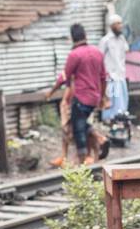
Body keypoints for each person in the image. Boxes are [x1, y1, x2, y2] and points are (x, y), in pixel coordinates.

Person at [49, 23, 107, 167]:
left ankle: (83, 160)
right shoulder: (97, 52)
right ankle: (99, 141)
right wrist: (103, 97)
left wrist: (51, 92)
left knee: (78, 128)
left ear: (71, 37)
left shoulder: (74, 55)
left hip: (81, 97)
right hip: (94, 97)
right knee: (80, 124)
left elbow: (64, 77)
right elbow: (103, 78)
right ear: (85, 35)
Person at [99, 13, 130, 122]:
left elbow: (126, 50)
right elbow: (100, 57)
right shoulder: (106, 40)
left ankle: (121, 118)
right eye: (117, 24)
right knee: (112, 98)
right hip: (110, 75)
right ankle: (109, 119)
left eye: (121, 23)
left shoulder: (121, 39)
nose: (120, 26)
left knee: (122, 99)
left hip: (120, 73)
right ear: (112, 26)